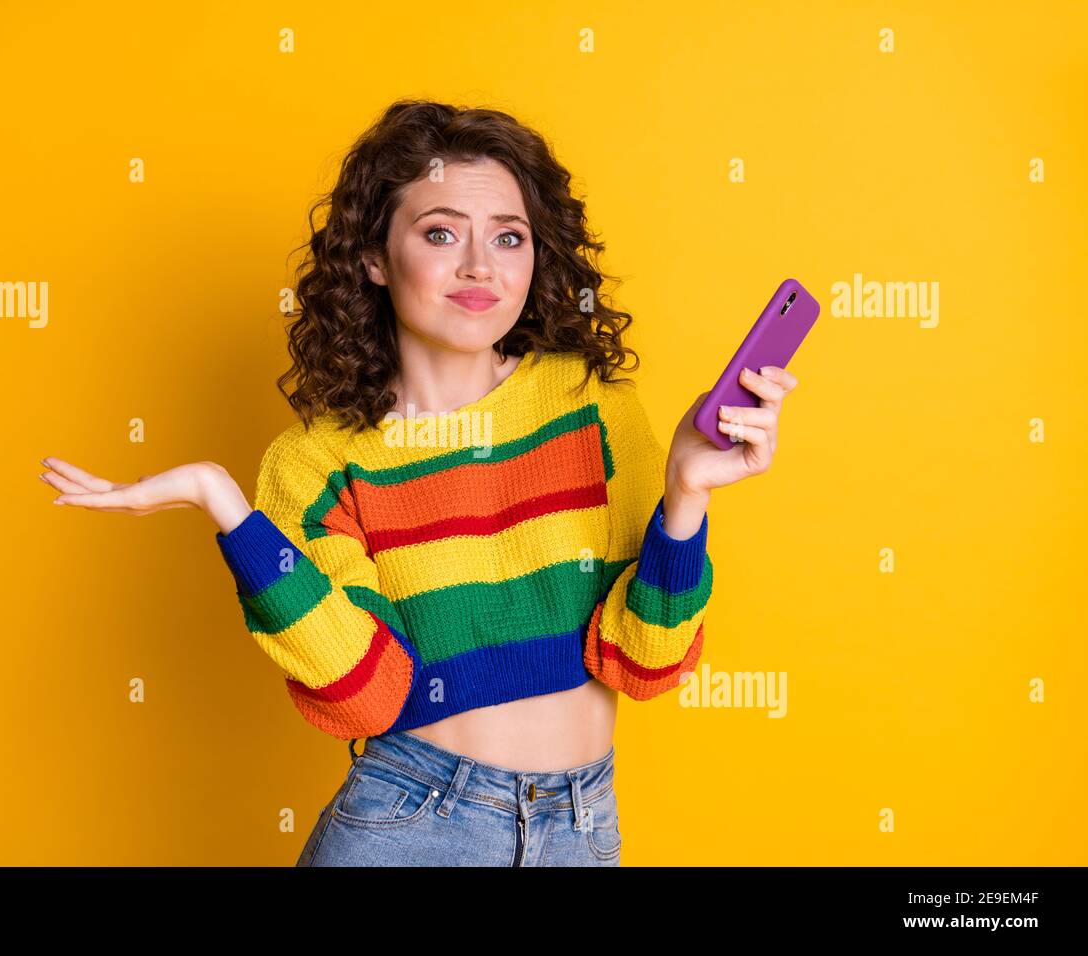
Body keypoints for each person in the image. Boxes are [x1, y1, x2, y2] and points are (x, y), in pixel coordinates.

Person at [40, 100, 798, 866]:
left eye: (509, 237)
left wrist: (686, 496)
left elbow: (645, 664)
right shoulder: (317, 462)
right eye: (441, 233)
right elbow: (366, 697)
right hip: (413, 825)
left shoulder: (591, 409)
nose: (480, 266)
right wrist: (230, 510)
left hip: (582, 828)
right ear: (374, 256)